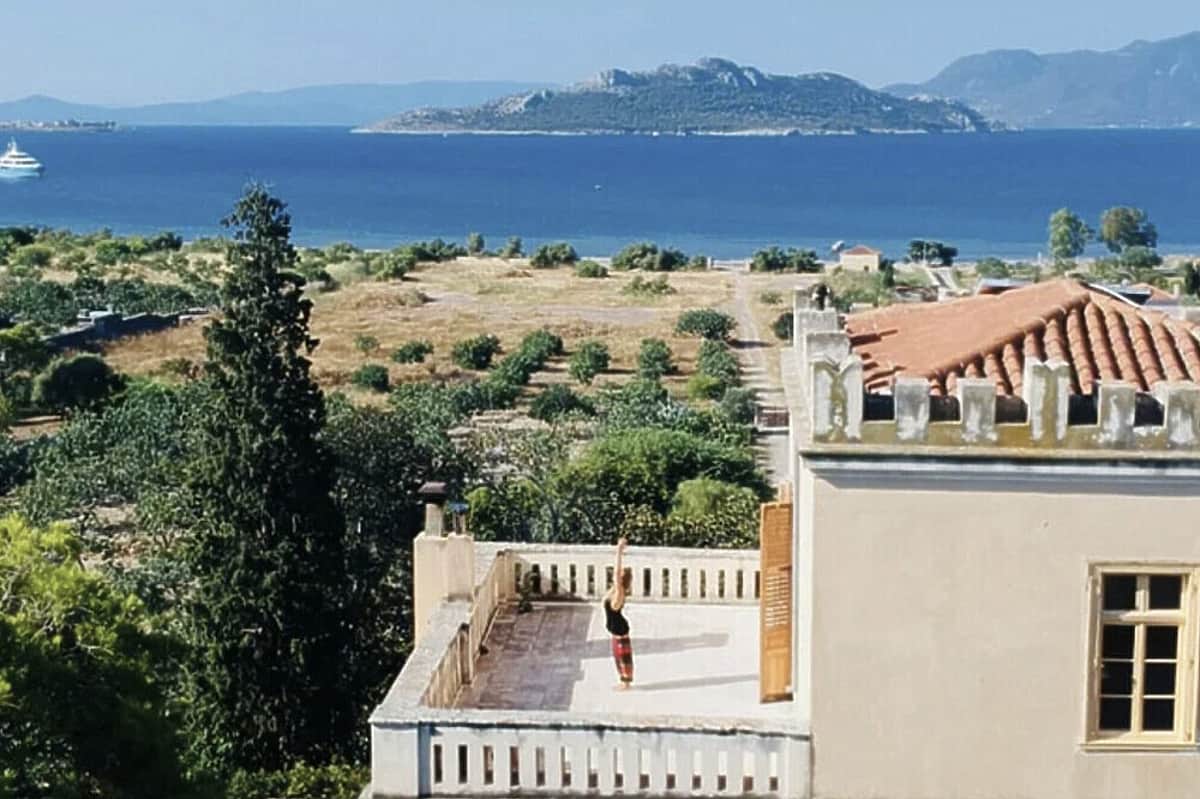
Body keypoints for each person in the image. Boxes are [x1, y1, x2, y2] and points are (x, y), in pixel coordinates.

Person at [603, 537, 634, 689]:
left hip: (620, 629)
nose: (617, 573)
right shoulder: (614, 591)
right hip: (617, 629)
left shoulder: (619, 591)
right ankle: (623, 681)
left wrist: (619, 551)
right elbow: (614, 575)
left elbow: (615, 573)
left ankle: (626, 682)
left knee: (624, 657)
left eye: (620, 574)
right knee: (618, 656)